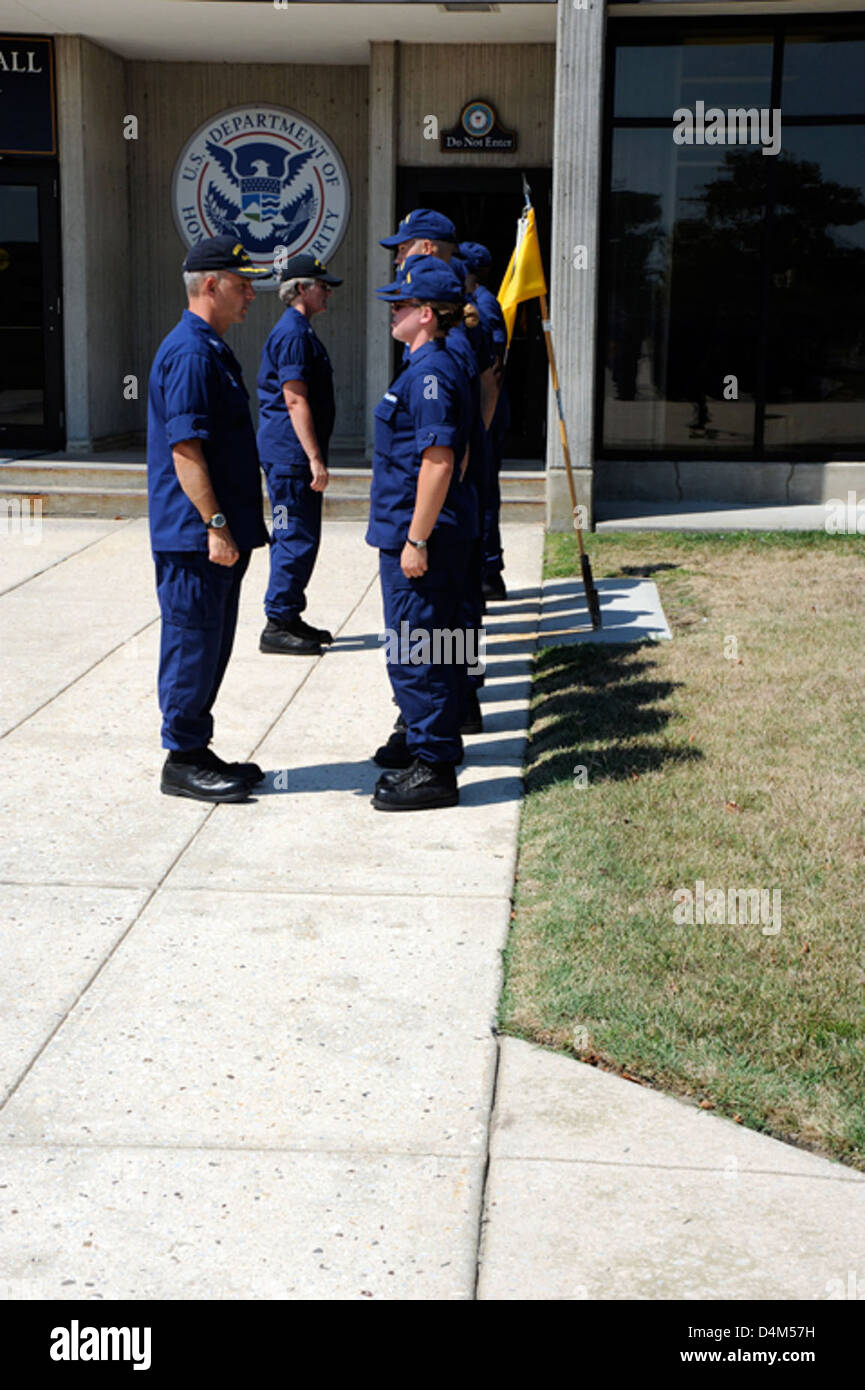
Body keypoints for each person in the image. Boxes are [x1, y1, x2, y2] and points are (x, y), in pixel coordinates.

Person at [146, 235, 271, 802]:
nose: (251, 295)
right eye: (243, 285)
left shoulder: (210, 347)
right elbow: (185, 450)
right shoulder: (193, 353)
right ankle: (182, 760)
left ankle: (196, 746)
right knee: (192, 643)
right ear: (212, 285)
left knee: (211, 643)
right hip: (196, 537)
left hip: (215, 534)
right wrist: (216, 526)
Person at [367, 257, 475, 811]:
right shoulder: (433, 364)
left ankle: (432, 766)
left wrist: (416, 539)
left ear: (426, 315)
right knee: (441, 643)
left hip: (420, 536)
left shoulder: (430, 372)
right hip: (433, 530)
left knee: (417, 649)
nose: (393, 311)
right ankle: (427, 741)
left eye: (402, 305)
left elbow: (438, 460)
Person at [256, 253, 342, 655]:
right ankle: (277, 622)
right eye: (323, 286)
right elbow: (294, 400)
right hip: (290, 460)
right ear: (302, 289)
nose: (328, 293)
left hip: (292, 457)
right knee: (293, 535)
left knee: (301, 536)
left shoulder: (299, 331)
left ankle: (289, 614)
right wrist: (314, 458)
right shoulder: (293, 334)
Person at [459, 240, 510, 599]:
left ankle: (489, 572)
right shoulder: (476, 302)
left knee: (484, 492)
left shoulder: (484, 305)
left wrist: (483, 423)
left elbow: (493, 368)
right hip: (481, 411)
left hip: (485, 411)